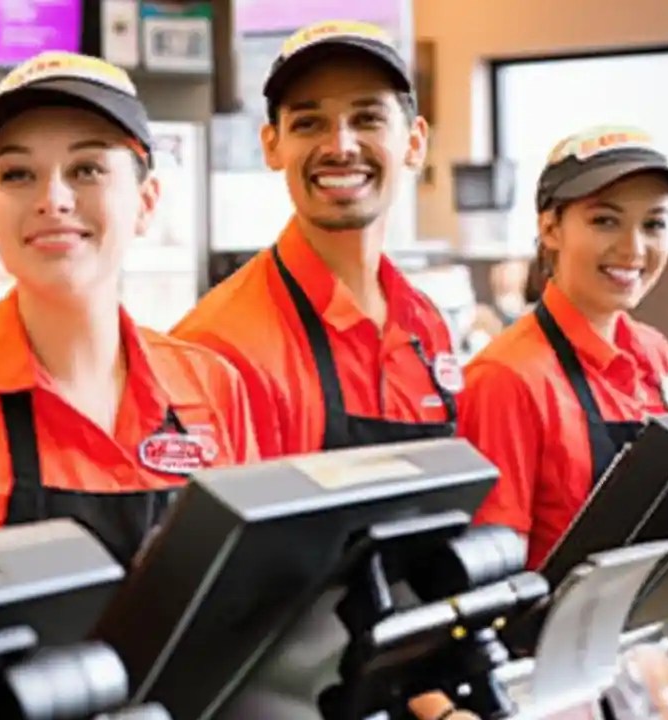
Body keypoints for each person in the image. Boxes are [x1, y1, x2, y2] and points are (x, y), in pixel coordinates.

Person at [0, 52, 258, 565]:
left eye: (87, 168)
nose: (53, 199)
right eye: (19, 174)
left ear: (146, 203)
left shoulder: (214, 389)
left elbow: (239, 598)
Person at [171, 19, 460, 459]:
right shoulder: (218, 348)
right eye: (309, 124)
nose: (340, 146)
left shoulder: (425, 323)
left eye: (367, 118)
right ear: (272, 146)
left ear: (414, 143)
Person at [459, 125, 668, 568]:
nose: (633, 249)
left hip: (644, 622)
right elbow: (494, 571)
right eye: (605, 220)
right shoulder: (505, 379)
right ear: (550, 227)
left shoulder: (654, 351)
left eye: (654, 224)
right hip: (548, 632)